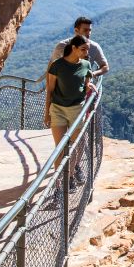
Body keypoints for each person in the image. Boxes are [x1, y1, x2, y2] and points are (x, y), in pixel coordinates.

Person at [44, 35, 95, 178]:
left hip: (77, 110)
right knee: (59, 149)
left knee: (75, 146)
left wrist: (88, 86)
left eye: (87, 50)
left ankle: (70, 176)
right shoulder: (57, 65)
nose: (86, 53)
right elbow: (50, 90)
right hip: (58, 109)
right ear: (73, 48)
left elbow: (85, 85)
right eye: (83, 49)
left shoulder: (86, 65)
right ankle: (59, 186)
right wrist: (46, 113)